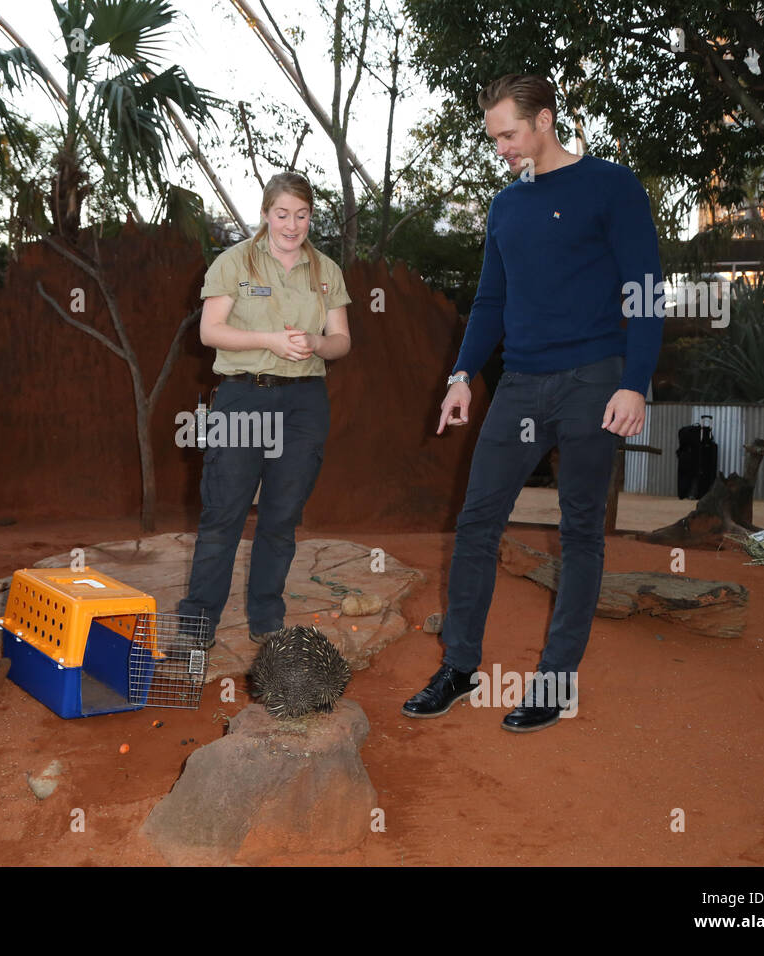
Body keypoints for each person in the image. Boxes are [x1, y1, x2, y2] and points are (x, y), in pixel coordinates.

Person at [402, 74, 664, 732]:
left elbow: (646, 289)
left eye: (509, 134)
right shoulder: (506, 207)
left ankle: (554, 681)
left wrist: (635, 381)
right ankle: (460, 667)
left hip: (593, 378)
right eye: (494, 138)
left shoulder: (611, 186)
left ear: (543, 120)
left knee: (579, 531)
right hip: (520, 382)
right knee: (477, 520)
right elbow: (491, 300)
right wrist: (462, 373)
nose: (501, 149)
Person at [176, 172, 351, 647]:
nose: (292, 225)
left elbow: (342, 341)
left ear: (311, 216)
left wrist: (316, 342)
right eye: (282, 214)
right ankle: (197, 624)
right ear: (265, 214)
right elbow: (210, 331)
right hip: (243, 396)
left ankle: (267, 618)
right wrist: (270, 340)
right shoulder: (235, 263)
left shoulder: (326, 271)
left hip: (304, 402)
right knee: (224, 512)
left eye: (301, 215)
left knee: (281, 516)